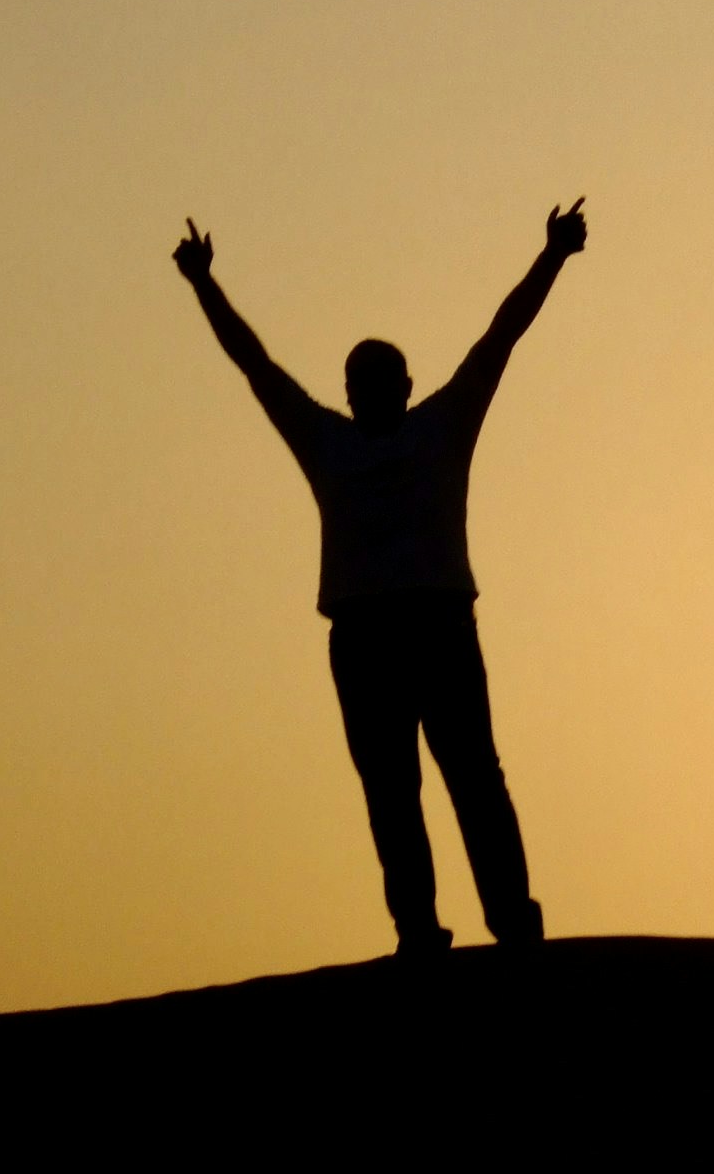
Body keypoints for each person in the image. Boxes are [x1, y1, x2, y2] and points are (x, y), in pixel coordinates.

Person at [172, 200, 589, 956]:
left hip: (437, 627)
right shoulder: (326, 440)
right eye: (359, 381)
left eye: (379, 378)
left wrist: (553, 255)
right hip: (365, 638)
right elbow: (255, 365)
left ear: (404, 384)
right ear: (350, 390)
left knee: (472, 779)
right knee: (393, 792)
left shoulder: (441, 425)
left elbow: (501, 336)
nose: (367, 390)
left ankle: (511, 923)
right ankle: (420, 931)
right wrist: (204, 285)